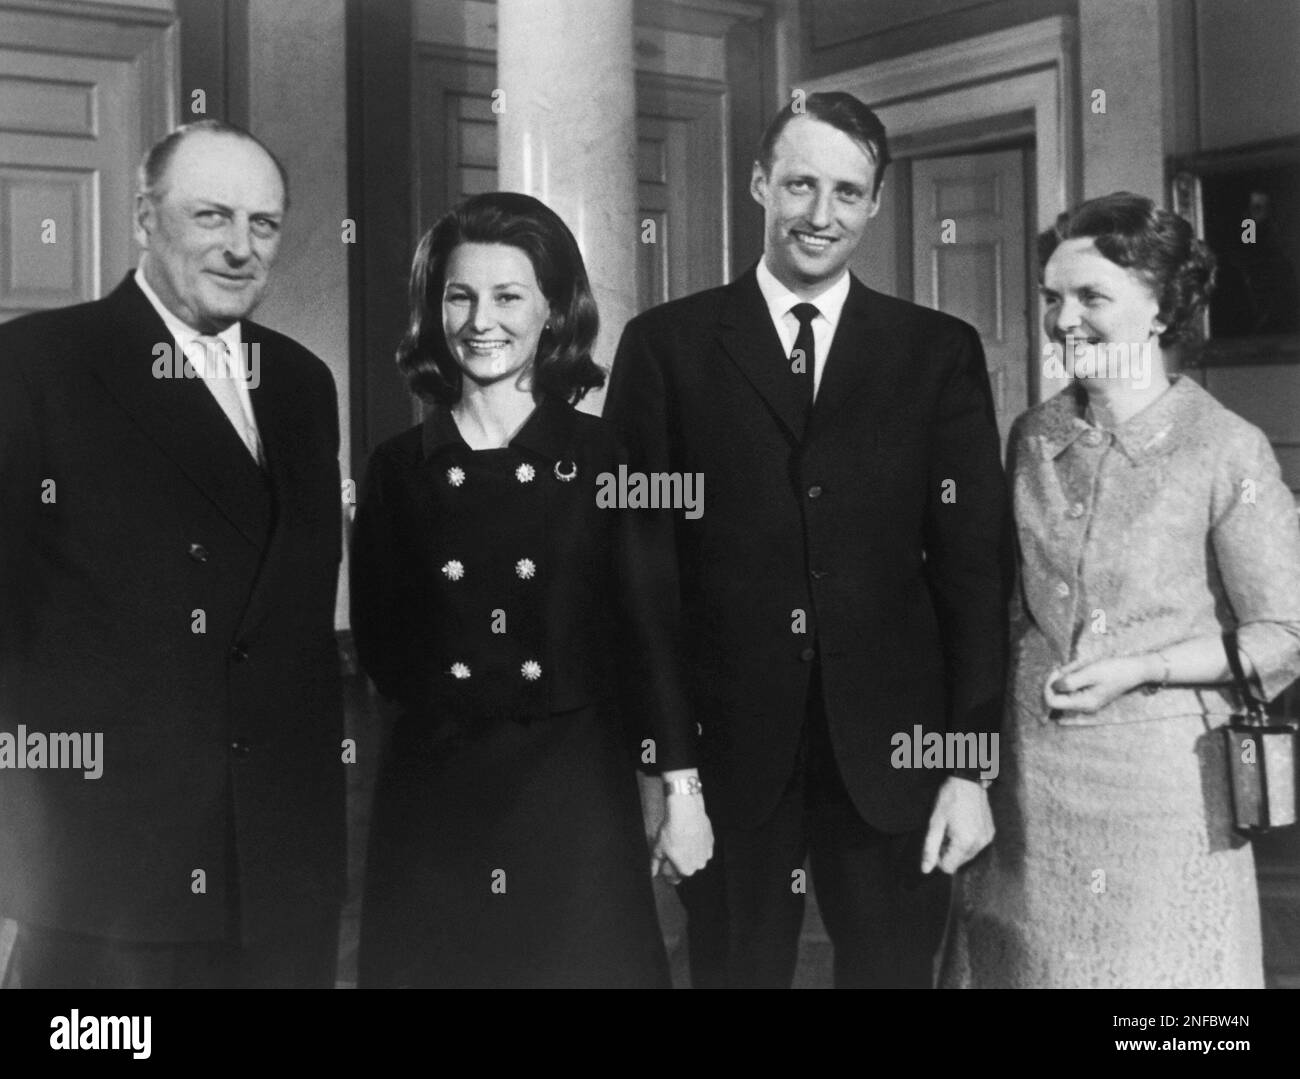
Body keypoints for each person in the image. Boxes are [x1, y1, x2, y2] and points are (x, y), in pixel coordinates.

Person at [605, 92, 1011, 989]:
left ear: (874, 202)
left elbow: (974, 576)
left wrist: (968, 766)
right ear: (760, 183)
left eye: (846, 191)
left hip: (898, 758)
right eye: (798, 184)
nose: (819, 215)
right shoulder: (665, 348)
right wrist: (673, 775)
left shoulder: (936, 351)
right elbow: (643, 577)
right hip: (727, 757)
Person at [0, 120, 346, 988]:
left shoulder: (302, 382)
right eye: (211, 216)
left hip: (279, 863)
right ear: (146, 219)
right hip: (111, 867)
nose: (240, 248)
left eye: (262, 224)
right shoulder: (38, 364)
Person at [351, 191, 712, 988]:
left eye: (509, 296)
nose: (483, 319)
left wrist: (680, 788)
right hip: (434, 796)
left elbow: (652, 633)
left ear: (553, 311)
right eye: (460, 295)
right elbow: (379, 643)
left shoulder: (612, 457)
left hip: (573, 793)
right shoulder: (394, 468)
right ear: (433, 308)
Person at [941, 192, 1300, 989]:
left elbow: (1287, 629)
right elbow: (1003, 612)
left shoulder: (1223, 448)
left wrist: (1144, 667)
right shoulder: (1033, 436)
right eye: (1051, 298)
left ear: (1163, 310)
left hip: (1165, 792)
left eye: (1091, 297)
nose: (1064, 319)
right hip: (1031, 788)